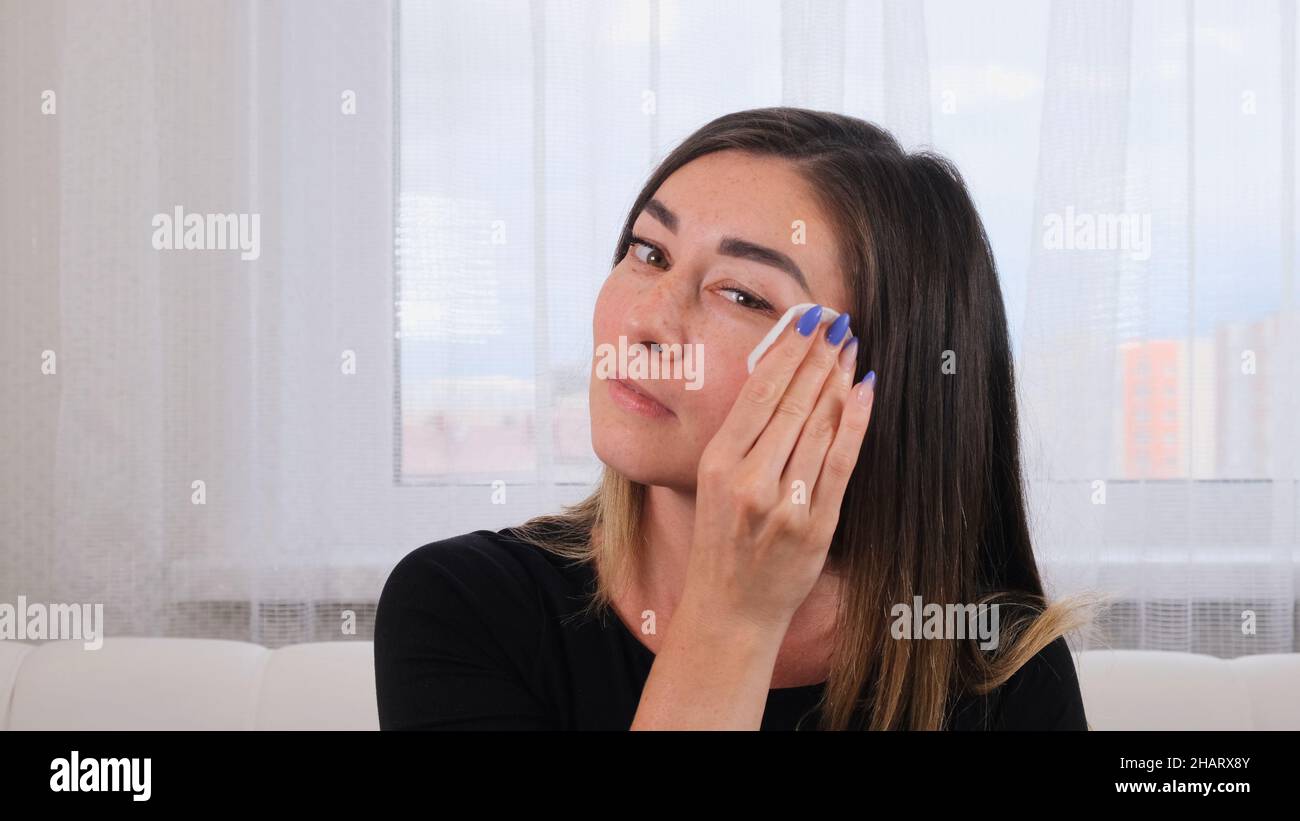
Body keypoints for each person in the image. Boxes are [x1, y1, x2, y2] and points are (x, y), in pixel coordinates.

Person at [375, 106, 1092, 730]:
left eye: (743, 295)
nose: (645, 320)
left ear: (875, 381)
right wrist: (734, 616)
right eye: (649, 252)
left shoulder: (1000, 666)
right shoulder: (463, 608)